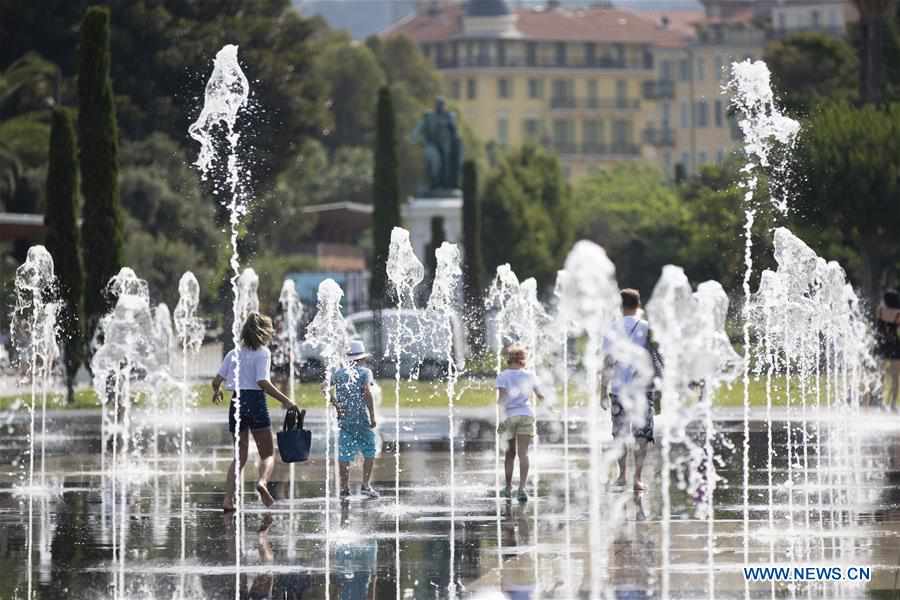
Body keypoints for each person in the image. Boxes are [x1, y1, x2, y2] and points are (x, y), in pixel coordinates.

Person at [212, 312, 296, 512]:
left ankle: (228, 500)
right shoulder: (263, 353)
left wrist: (217, 391)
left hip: (237, 402)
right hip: (256, 401)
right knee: (267, 453)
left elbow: (216, 381)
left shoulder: (233, 354)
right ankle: (262, 482)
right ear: (264, 332)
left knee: (239, 456)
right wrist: (286, 400)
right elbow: (262, 382)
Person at [601, 289, 659, 492]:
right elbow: (656, 358)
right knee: (642, 434)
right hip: (643, 389)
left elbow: (607, 362)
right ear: (638, 304)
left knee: (619, 434)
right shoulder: (647, 327)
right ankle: (637, 478)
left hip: (618, 390)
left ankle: (621, 476)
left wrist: (602, 390)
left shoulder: (612, 328)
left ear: (620, 306)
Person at [325, 340, 379, 499]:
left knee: (344, 454)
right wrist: (372, 415)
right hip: (362, 419)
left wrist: (336, 404)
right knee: (369, 450)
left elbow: (324, 387)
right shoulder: (365, 372)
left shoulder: (338, 373)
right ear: (362, 358)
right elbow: (367, 392)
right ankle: (366, 485)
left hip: (345, 419)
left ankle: (344, 487)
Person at [496, 344, 545, 503]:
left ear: (509, 359)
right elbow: (540, 395)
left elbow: (501, 400)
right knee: (523, 454)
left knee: (509, 455)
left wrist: (500, 419)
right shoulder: (530, 375)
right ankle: (522, 488)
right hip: (526, 415)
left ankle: (508, 487)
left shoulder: (502, 376)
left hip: (509, 416)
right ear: (523, 359)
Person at [876, 290, 900, 411]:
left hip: (882, 346)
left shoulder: (880, 311)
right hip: (895, 347)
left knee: (881, 376)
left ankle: (880, 401)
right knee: (895, 377)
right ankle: (893, 403)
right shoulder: (898, 313)